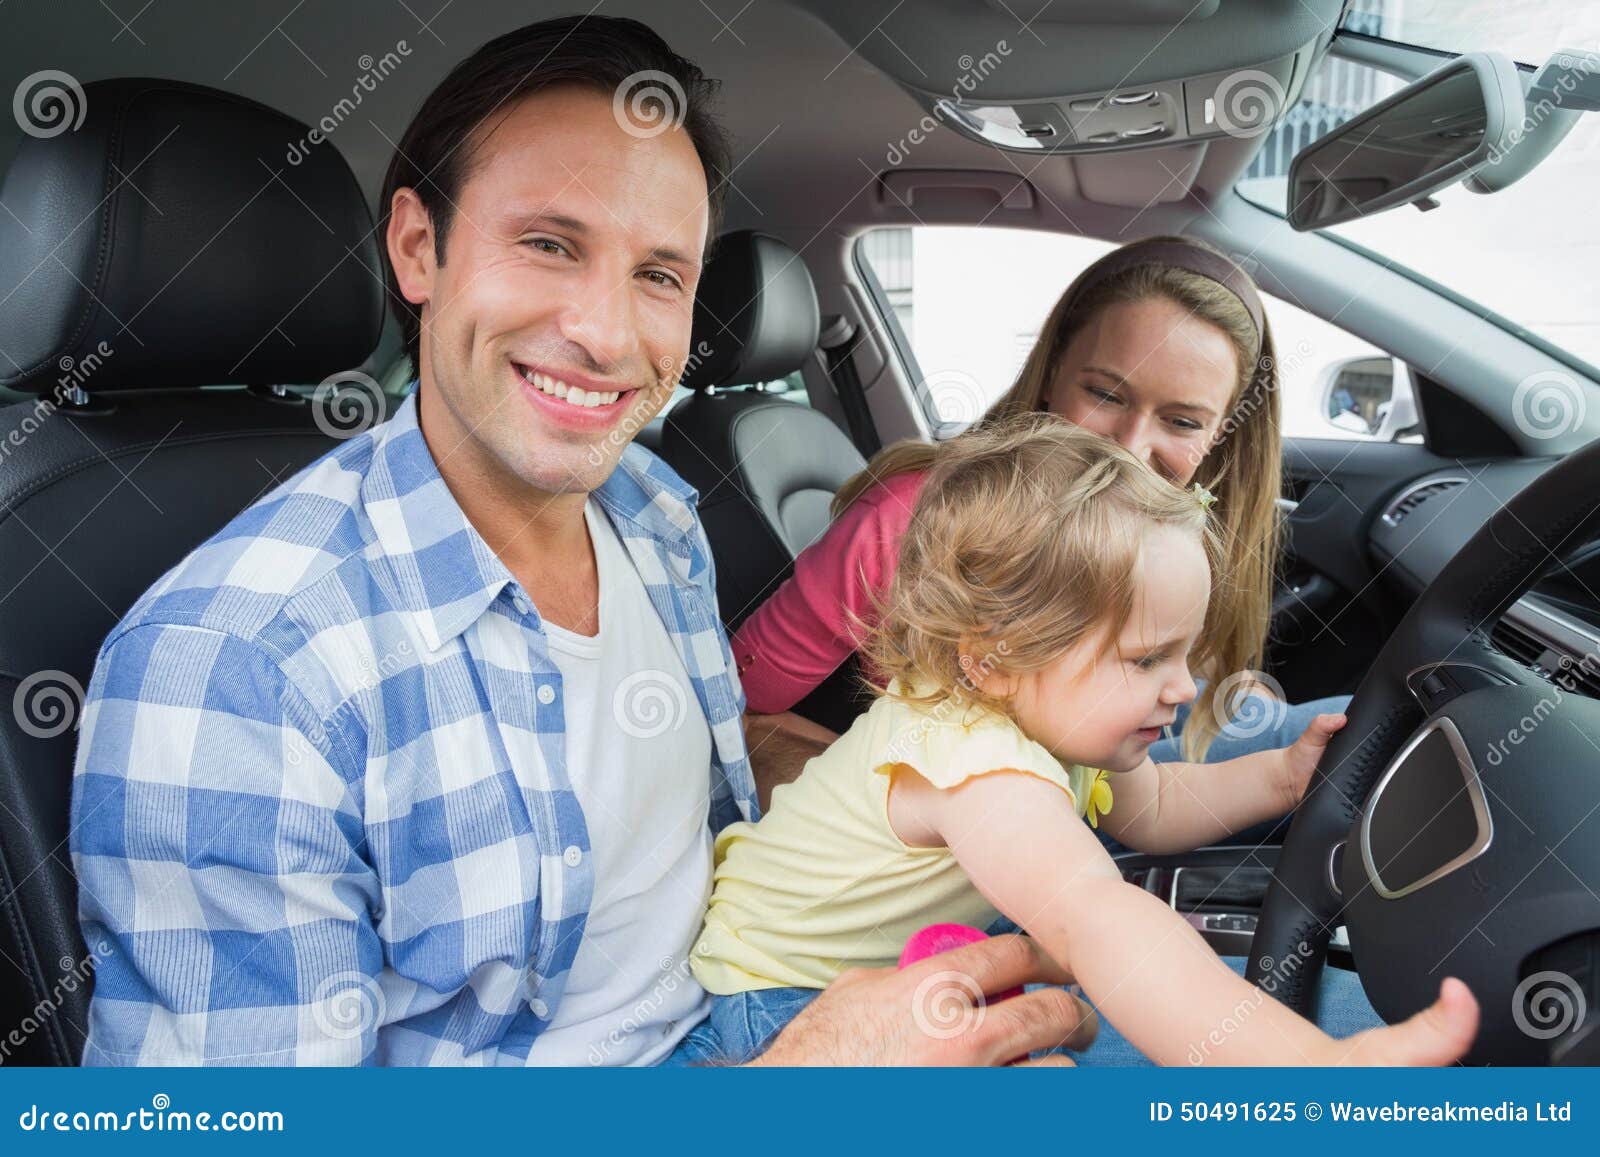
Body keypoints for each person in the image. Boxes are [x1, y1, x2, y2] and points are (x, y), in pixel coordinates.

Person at [67, 16, 1094, 1066]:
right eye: (550, 244)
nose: (607, 334)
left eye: (658, 275)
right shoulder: (237, 667)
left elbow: (660, 843)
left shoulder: (654, 516)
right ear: (420, 248)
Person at [681, 417, 1479, 1066]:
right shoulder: (972, 762)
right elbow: (1098, 918)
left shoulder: (1042, 717)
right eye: (1144, 659)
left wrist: (1280, 777)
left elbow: (1158, 805)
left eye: (1182, 653)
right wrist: (1305, 1067)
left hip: (879, 966)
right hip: (786, 1007)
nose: (1180, 687)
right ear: (992, 657)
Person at [735, 235, 1342, 822]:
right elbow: (735, 719)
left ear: (1220, 436)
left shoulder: (1164, 535)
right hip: (968, 837)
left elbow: (1141, 798)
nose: (1130, 449)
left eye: (1182, 421)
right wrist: (915, 811)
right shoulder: (912, 521)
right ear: (1051, 372)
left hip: (1094, 780)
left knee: (1335, 742)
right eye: (1106, 393)